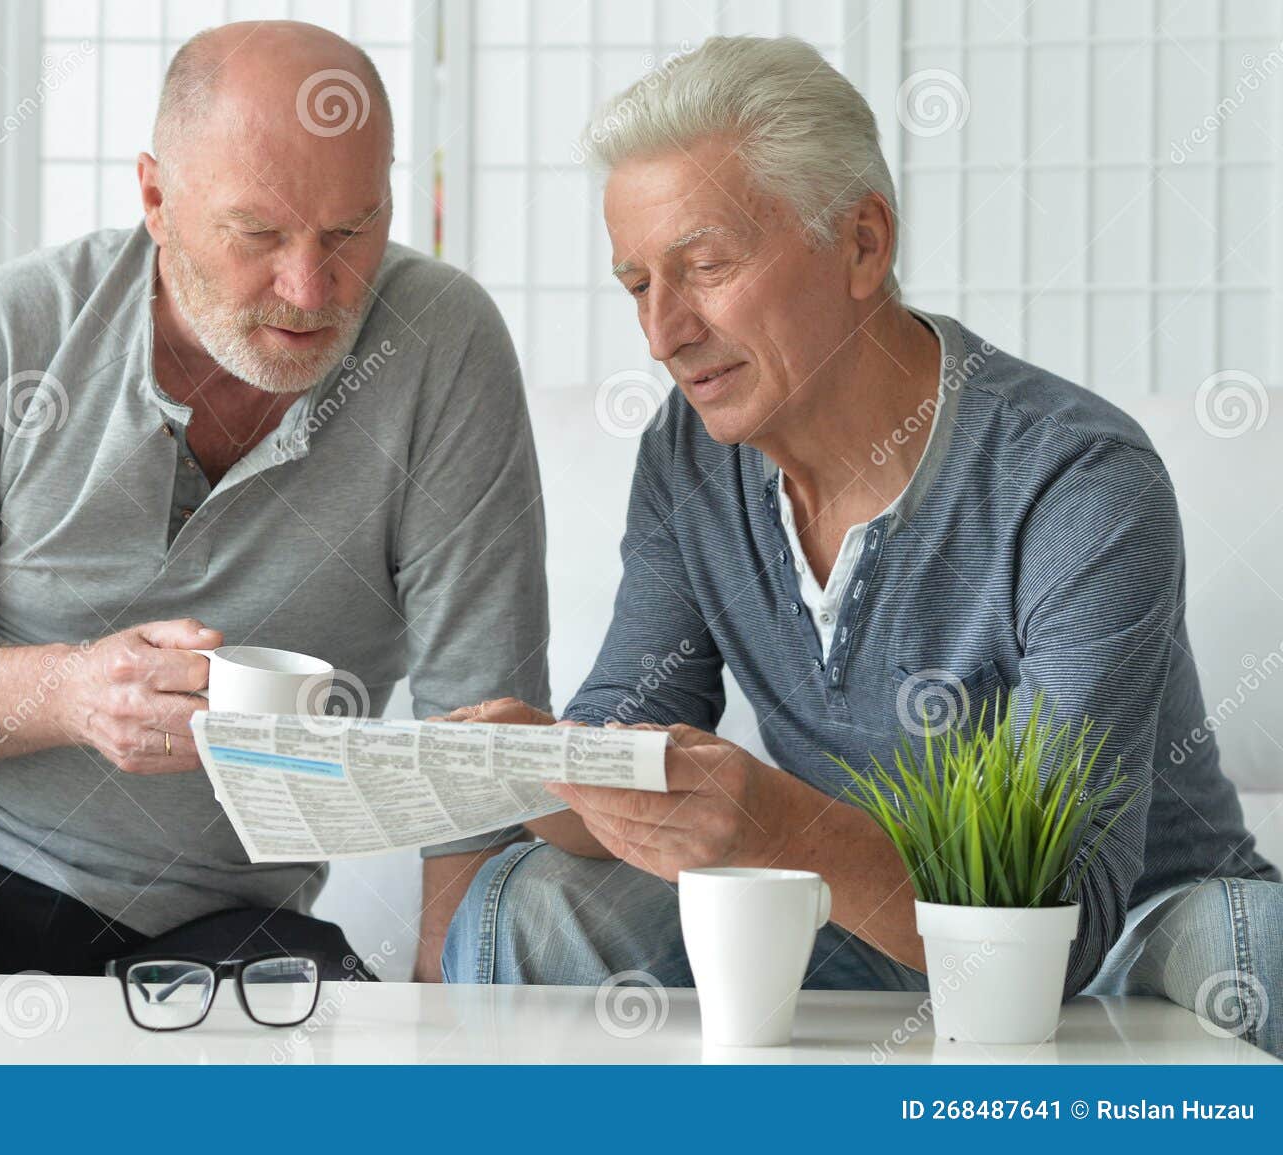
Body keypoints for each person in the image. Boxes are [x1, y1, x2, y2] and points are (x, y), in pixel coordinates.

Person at [0, 20, 548, 1051]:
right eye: (258, 236)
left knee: (334, 1036)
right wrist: (68, 693)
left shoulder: (442, 348)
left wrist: (447, 1044)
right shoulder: (14, 331)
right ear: (154, 199)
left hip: (199, 914)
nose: (312, 292)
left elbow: (477, 746)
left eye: (351, 231)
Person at [439, 35, 1283, 1058]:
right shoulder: (691, 453)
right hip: (863, 914)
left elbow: (1055, 921)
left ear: (861, 244)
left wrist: (773, 824)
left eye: (703, 268)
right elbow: (635, 729)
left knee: (1254, 946)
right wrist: (540, 767)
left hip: (1127, 926)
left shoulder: (1076, 476)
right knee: (526, 905)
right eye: (635, 285)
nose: (663, 331)